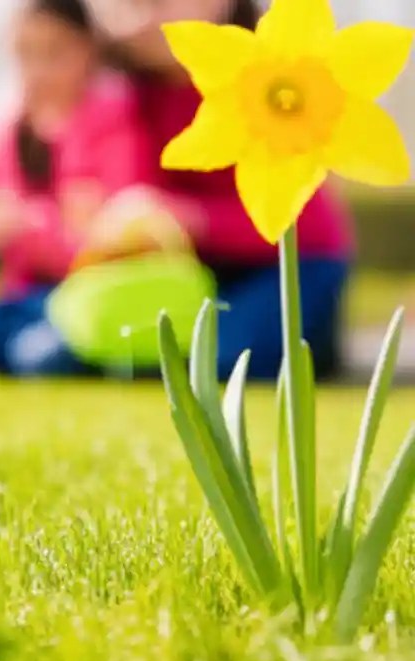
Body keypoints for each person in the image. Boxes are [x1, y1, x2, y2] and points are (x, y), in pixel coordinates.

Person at [80, 0, 354, 379]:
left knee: (225, 359)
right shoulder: (122, 100)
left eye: (156, 3)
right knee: (155, 354)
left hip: (292, 266)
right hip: (202, 270)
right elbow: (134, 197)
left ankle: (313, 350)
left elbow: (308, 227)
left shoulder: (268, 71)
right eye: (127, 5)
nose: (143, 19)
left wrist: (192, 218)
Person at [0, 0, 147, 376]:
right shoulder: (7, 128)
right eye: (24, 54)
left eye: (54, 53)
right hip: (23, 295)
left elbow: (124, 233)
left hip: (92, 291)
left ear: (88, 49)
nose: (39, 70)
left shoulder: (115, 123)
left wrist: (24, 228)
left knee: (40, 358)